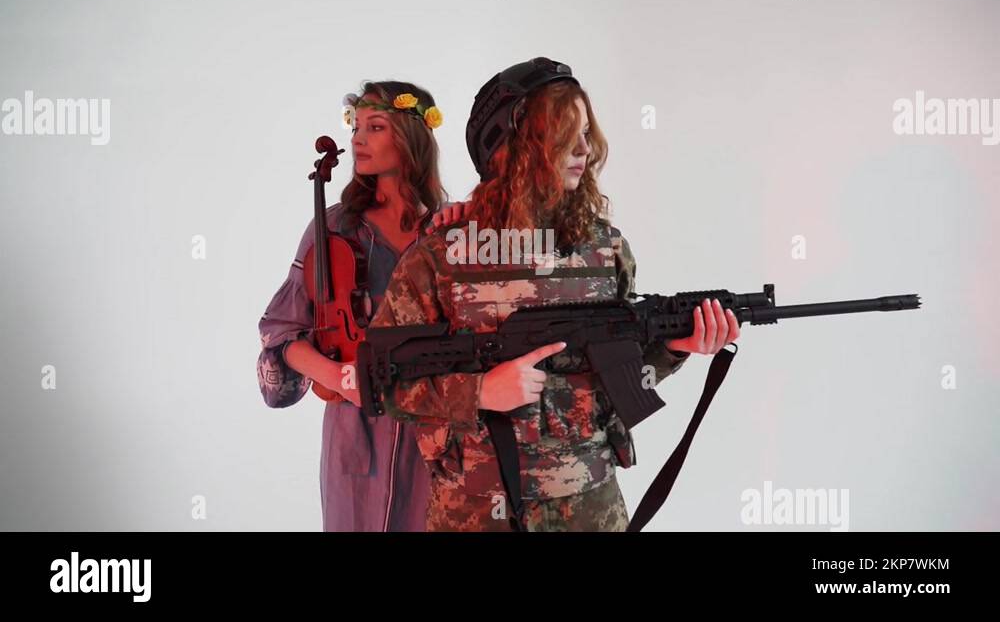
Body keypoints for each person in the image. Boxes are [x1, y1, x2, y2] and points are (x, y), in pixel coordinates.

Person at [368, 58, 741, 531]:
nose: (585, 149)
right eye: (566, 134)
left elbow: (615, 381)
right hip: (477, 512)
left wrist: (672, 350)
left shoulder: (606, 250)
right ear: (515, 146)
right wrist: (479, 391)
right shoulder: (443, 257)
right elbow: (381, 381)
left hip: (591, 507)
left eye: (587, 132)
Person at [256, 80, 455, 531]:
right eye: (356, 127)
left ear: (411, 138)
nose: (357, 140)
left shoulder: (446, 230)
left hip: (434, 429)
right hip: (355, 431)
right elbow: (283, 333)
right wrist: (337, 379)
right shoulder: (334, 228)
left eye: (375, 127)